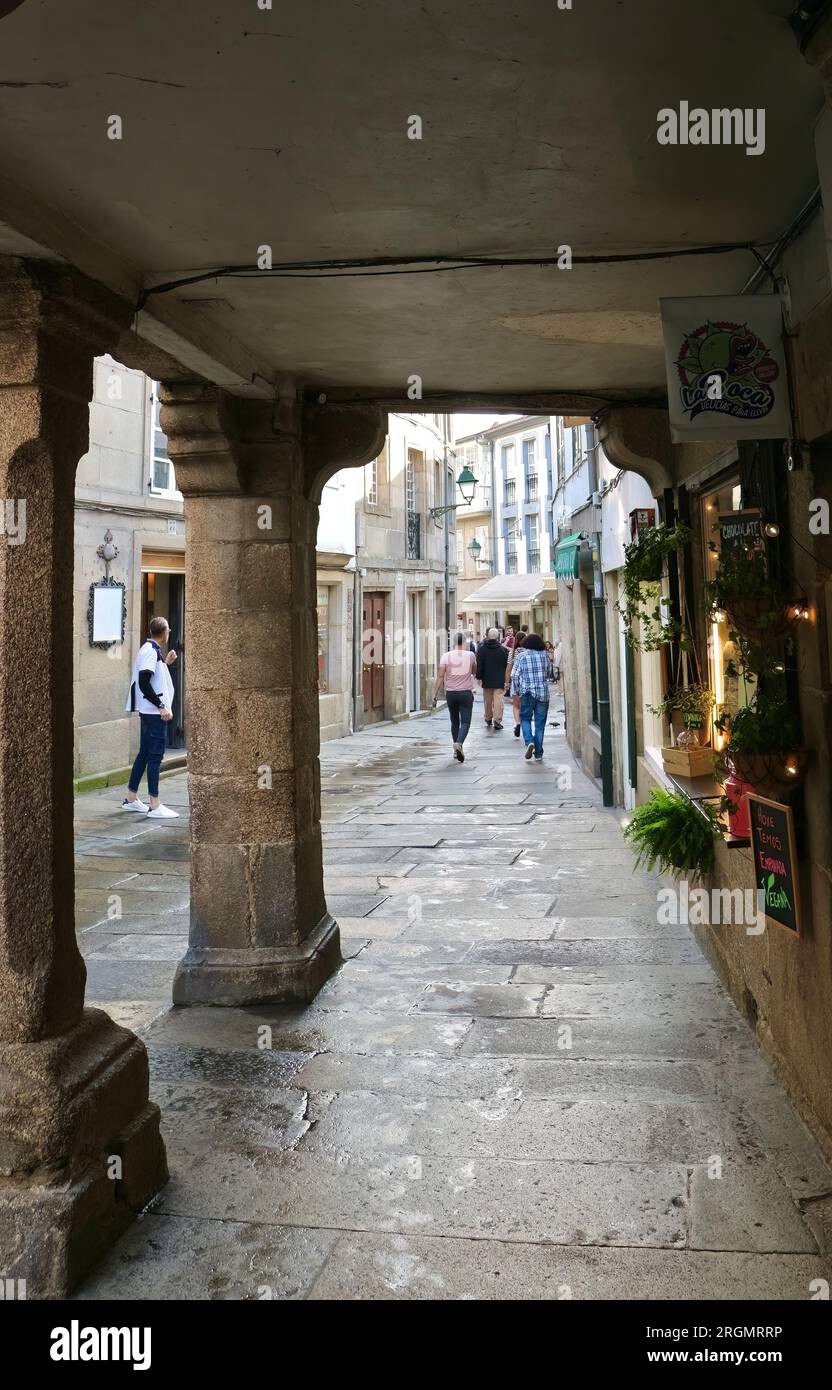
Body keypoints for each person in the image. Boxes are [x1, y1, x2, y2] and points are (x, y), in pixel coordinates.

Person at [122, 615, 180, 818]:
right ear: (163, 633)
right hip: (154, 713)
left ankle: (131, 798)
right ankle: (154, 804)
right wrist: (162, 706)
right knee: (155, 757)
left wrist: (166, 662)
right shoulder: (149, 652)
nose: (169, 633)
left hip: (150, 712)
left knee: (145, 754)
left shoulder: (152, 651)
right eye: (168, 630)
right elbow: (144, 682)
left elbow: (153, 677)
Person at [431, 631, 477, 762]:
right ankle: (459, 743)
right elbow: (474, 670)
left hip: (451, 693)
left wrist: (434, 693)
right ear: (464, 643)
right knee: (466, 721)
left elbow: (440, 676)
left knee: (454, 721)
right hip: (465, 693)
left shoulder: (446, 656)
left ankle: (456, 752)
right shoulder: (470, 655)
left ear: (453, 643)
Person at [510, 632, 554, 761]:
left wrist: (518, 689)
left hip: (527, 693)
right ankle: (539, 753)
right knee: (540, 724)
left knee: (525, 719)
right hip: (543, 693)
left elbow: (514, 675)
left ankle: (529, 741)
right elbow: (550, 673)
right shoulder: (544, 656)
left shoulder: (522, 656)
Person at [476, 627, 509, 730]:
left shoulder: (482, 649)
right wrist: (507, 679)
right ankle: (497, 720)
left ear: (487, 636)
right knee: (498, 699)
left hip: (487, 678)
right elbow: (507, 665)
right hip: (500, 679)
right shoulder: (503, 650)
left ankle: (488, 717)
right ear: (498, 637)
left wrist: (479, 677)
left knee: (488, 700)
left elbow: (479, 665)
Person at [505, 630, 527, 736]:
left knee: (516, 706)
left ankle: (517, 723)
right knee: (525, 705)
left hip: (516, 682)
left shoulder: (512, 652)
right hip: (527, 681)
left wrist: (507, 682)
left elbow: (508, 668)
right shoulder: (529, 651)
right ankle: (524, 722)